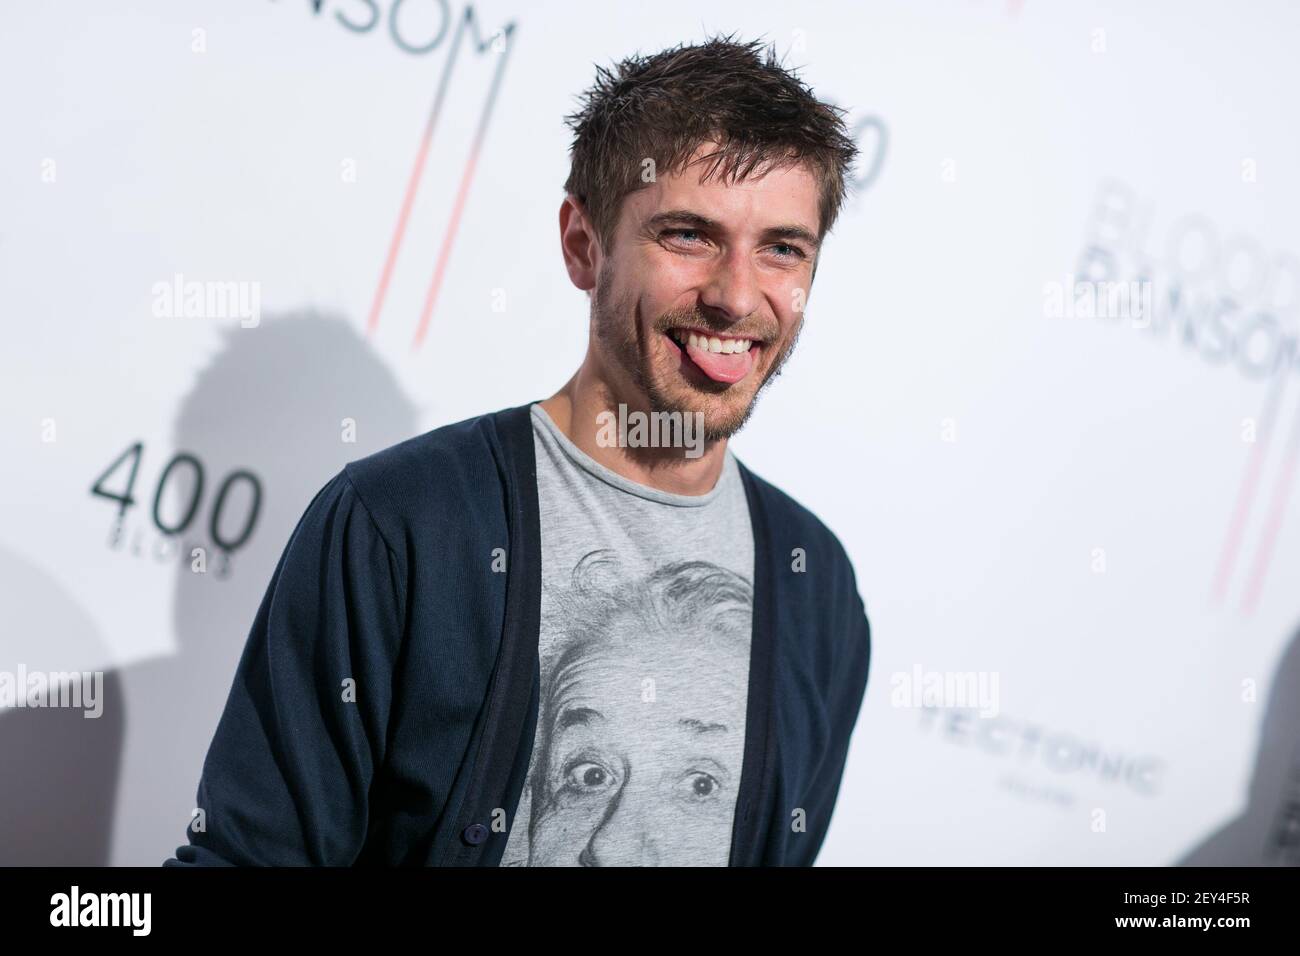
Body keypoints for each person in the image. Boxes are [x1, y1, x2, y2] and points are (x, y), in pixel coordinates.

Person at [165, 33, 872, 868]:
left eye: (782, 248)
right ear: (583, 244)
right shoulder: (401, 525)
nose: (735, 295)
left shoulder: (815, 585)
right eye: (689, 235)